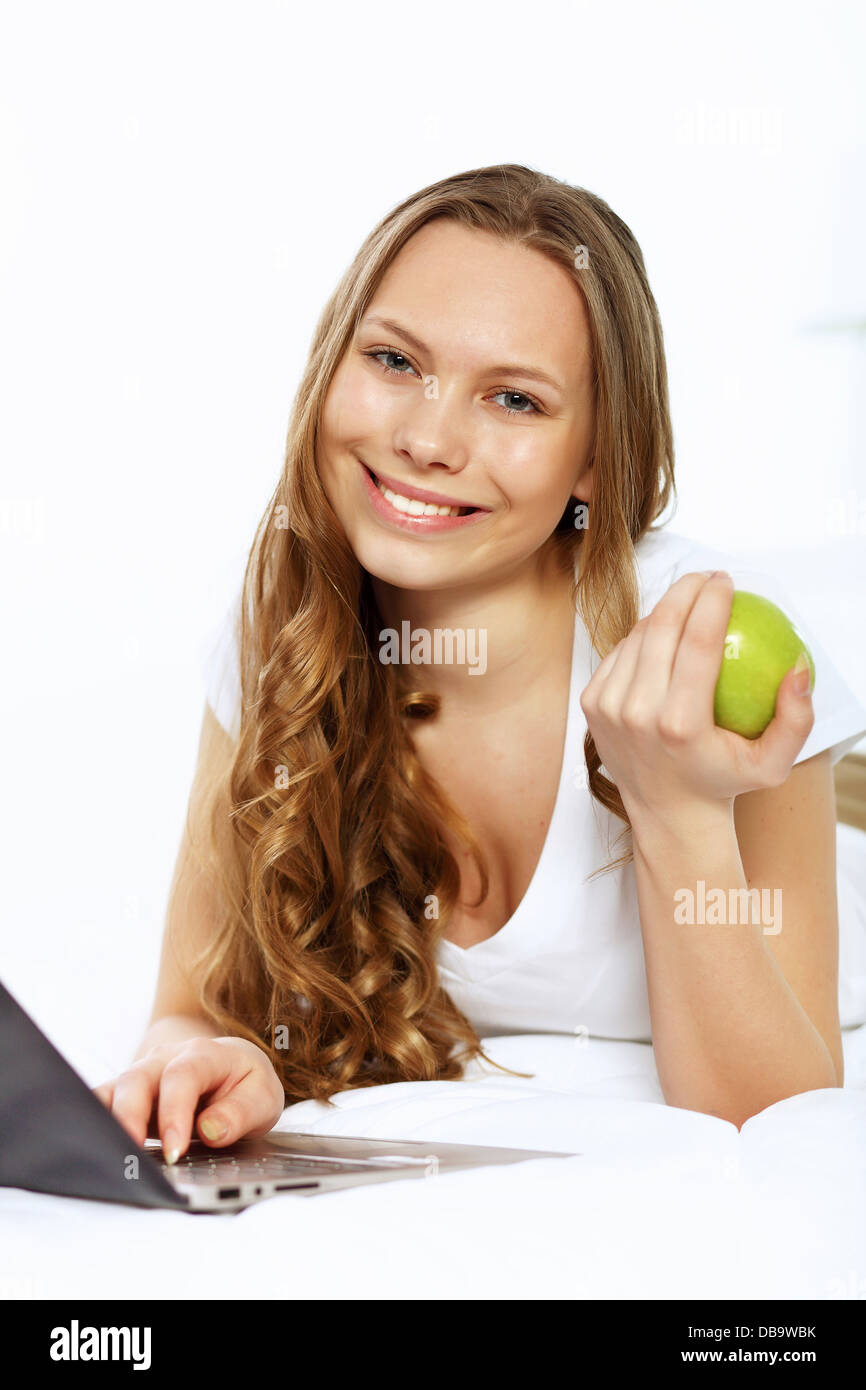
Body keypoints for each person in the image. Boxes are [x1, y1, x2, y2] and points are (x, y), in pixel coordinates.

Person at [94, 163, 866, 1167]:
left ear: (593, 457)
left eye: (512, 398)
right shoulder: (281, 630)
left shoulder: (694, 643)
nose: (425, 437)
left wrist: (673, 808)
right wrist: (207, 1065)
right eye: (393, 360)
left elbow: (769, 1121)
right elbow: (191, 1009)